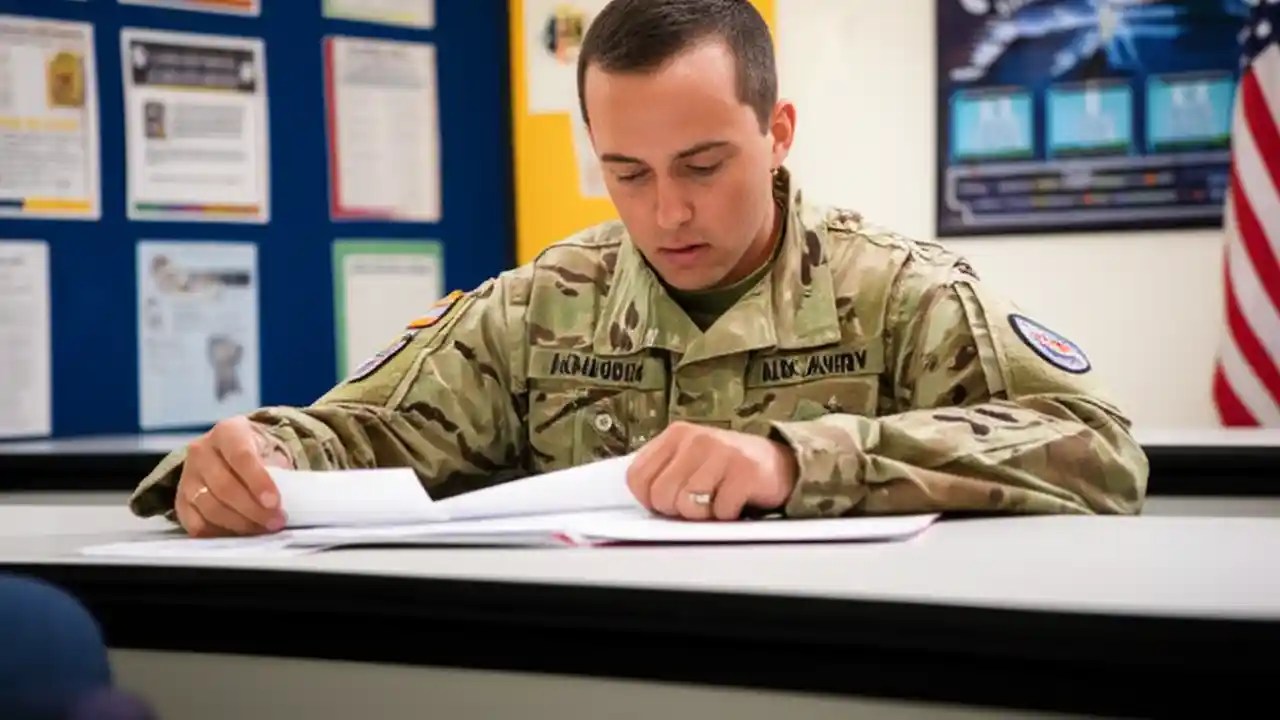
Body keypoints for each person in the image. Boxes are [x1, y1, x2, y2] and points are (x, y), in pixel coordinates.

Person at [126, 0, 1148, 537]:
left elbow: (1095, 448)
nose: (666, 212)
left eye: (703, 166)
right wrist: (255, 459)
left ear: (776, 131)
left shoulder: (896, 294)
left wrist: (796, 463)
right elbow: (368, 431)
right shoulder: (539, 309)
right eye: (626, 172)